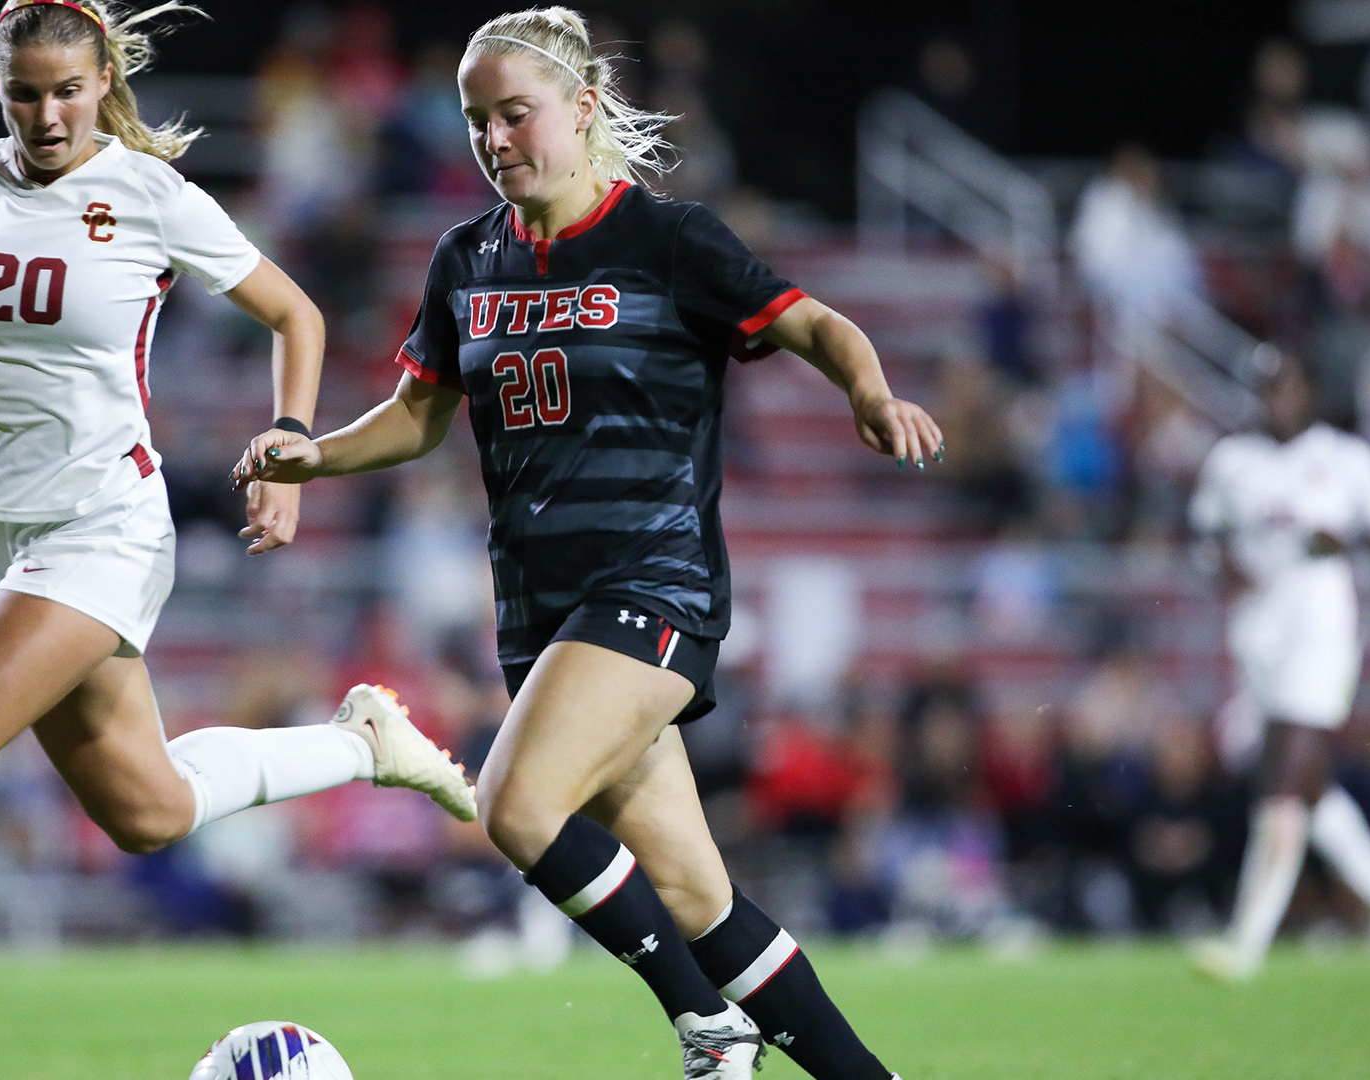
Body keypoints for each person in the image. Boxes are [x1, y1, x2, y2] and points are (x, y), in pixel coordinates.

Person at [0, 4, 475, 1078]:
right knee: (146, 808)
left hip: (105, 523)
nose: (47, 114)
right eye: (25, 93)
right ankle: (362, 745)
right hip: (3, 541)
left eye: (67, 90)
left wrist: (291, 439)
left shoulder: (147, 194)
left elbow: (297, 314)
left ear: (104, 79)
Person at [237, 9, 936, 1078]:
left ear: (583, 108)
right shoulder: (465, 256)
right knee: (699, 894)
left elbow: (817, 324)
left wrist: (870, 390)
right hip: (541, 615)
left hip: (653, 588)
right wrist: (314, 458)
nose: (495, 139)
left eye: (516, 114)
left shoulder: (669, 239)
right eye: (477, 121)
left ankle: (708, 1030)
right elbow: (422, 412)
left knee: (517, 805)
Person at [1187, 348, 1370, 981]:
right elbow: (1207, 542)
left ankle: (1246, 943)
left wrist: (1345, 537)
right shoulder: (1231, 462)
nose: (1277, 401)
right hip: (1257, 634)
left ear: (1309, 390)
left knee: (1283, 782)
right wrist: (1227, 567)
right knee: (1305, 785)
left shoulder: (1344, 458)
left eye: (1287, 387)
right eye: (1267, 389)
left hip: (1320, 628)